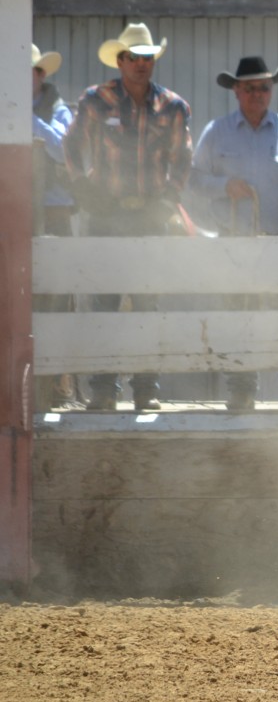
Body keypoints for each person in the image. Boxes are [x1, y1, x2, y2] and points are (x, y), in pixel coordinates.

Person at [63, 23, 192, 412]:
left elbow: (183, 158)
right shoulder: (95, 100)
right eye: (133, 58)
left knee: (146, 303)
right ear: (120, 60)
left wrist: (169, 200)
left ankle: (145, 388)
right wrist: (82, 187)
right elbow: (71, 144)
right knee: (105, 301)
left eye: (146, 58)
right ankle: (104, 388)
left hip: (149, 215)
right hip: (106, 212)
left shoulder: (172, 106)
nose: (140, 64)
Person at [186, 56, 278, 411]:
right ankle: (242, 389)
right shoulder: (216, 132)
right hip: (236, 239)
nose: (257, 94)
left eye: (264, 88)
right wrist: (224, 185)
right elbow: (193, 180)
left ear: (271, 91)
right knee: (239, 314)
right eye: (250, 88)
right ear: (236, 92)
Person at [31, 43, 82, 410]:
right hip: (17, 212)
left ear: (41, 75)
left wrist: (25, 120)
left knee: (58, 299)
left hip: (54, 213)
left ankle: (60, 388)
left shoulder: (60, 110)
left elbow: (62, 148)